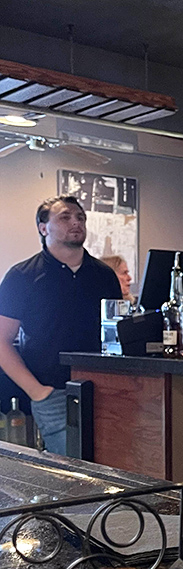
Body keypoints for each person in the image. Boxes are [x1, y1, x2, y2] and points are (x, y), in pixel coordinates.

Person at [0, 195, 122, 456]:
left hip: (104, 390)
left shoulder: (104, 275)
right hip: (52, 392)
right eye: (65, 217)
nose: (76, 222)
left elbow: (115, 333)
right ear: (43, 228)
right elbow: (1, 341)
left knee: (114, 468)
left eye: (80, 217)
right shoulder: (21, 276)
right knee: (72, 478)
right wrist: (37, 391)